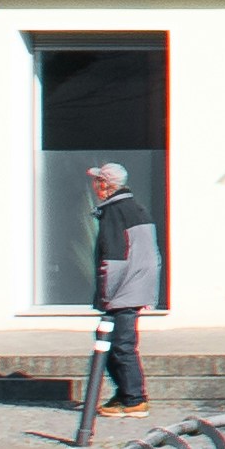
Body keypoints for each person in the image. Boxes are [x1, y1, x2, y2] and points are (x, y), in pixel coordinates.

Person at [83, 158, 163, 416]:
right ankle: (125, 394)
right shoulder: (134, 208)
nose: (94, 185)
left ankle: (134, 399)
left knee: (119, 345)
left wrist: (106, 295)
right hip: (136, 286)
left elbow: (114, 258)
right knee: (113, 343)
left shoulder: (115, 213)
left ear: (105, 185)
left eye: (97, 180)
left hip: (123, 290)